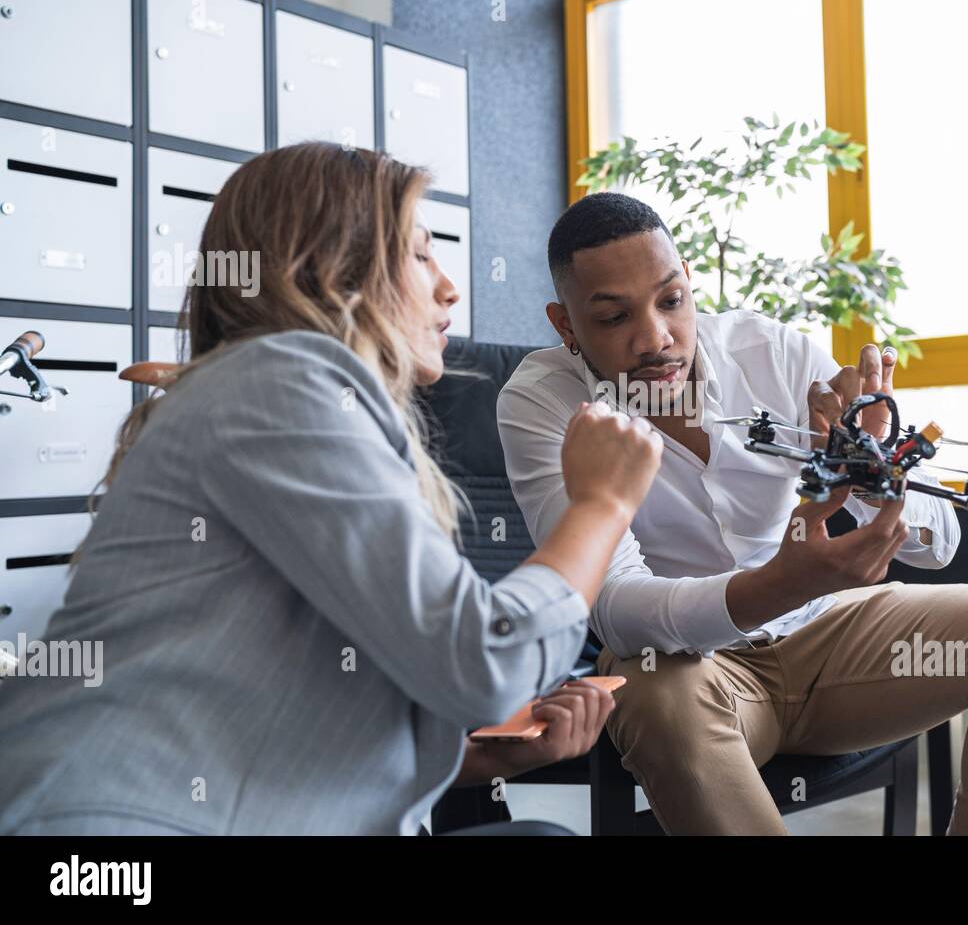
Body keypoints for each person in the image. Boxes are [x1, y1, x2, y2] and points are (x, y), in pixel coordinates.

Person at [0, 145, 662, 836]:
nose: (449, 289)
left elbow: (295, 712)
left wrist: (476, 762)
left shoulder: (287, 396)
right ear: (333, 267)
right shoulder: (282, 379)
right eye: (418, 255)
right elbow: (486, 664)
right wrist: (601, 505)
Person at [497, 191, 968, 835]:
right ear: (566, 326)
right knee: (653, 691)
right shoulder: (542, 403)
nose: (656, 338)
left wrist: (872, 469)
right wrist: (782, 583)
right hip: (695, 673)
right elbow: (612, 605)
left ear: (689, 285)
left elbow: (937, 541)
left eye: (670, 301)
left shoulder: (773, 353)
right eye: (614, 318)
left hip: (833, 643)